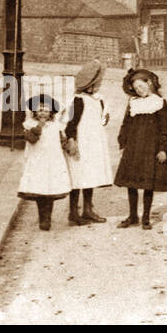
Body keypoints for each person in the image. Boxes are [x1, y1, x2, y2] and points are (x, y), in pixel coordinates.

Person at [114, 68, 167, 230]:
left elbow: (165, 128)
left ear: (149, 83)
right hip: (133, 148)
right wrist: (123, 144)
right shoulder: (133, 103)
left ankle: (145, 217)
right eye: (136, 88)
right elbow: (125, 125)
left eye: (142, 85)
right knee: (131, 183)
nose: (140, 90)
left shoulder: (159, 102)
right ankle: (133, 216)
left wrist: (162, 148)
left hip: (151, 149)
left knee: (148, 184)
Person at [63, 60, 113, 225]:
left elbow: (101, 119)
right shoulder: (78, 101)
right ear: (89, 85)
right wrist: (71, 140)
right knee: (77, 176)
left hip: (94, 143)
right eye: (96, 84)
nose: (98, 87)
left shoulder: (98, 100)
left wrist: (105, 118)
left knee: (89, 176)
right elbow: (71, 123)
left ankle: (88, 209)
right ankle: (73, 212)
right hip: (80, 143)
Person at [19, 94, 72, 231]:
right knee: (39, 190)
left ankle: (47, 217)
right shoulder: (29, 125)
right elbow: (31, 139)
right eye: (40, 110)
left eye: (46, 110)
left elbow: (62, 140)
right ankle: (42, 217)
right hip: (37, 161)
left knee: (50, 190)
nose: (43, 113)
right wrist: (39, 126)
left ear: (51, 113)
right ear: (35, 112)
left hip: (53, 161)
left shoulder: (56, 126)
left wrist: (68, 145)